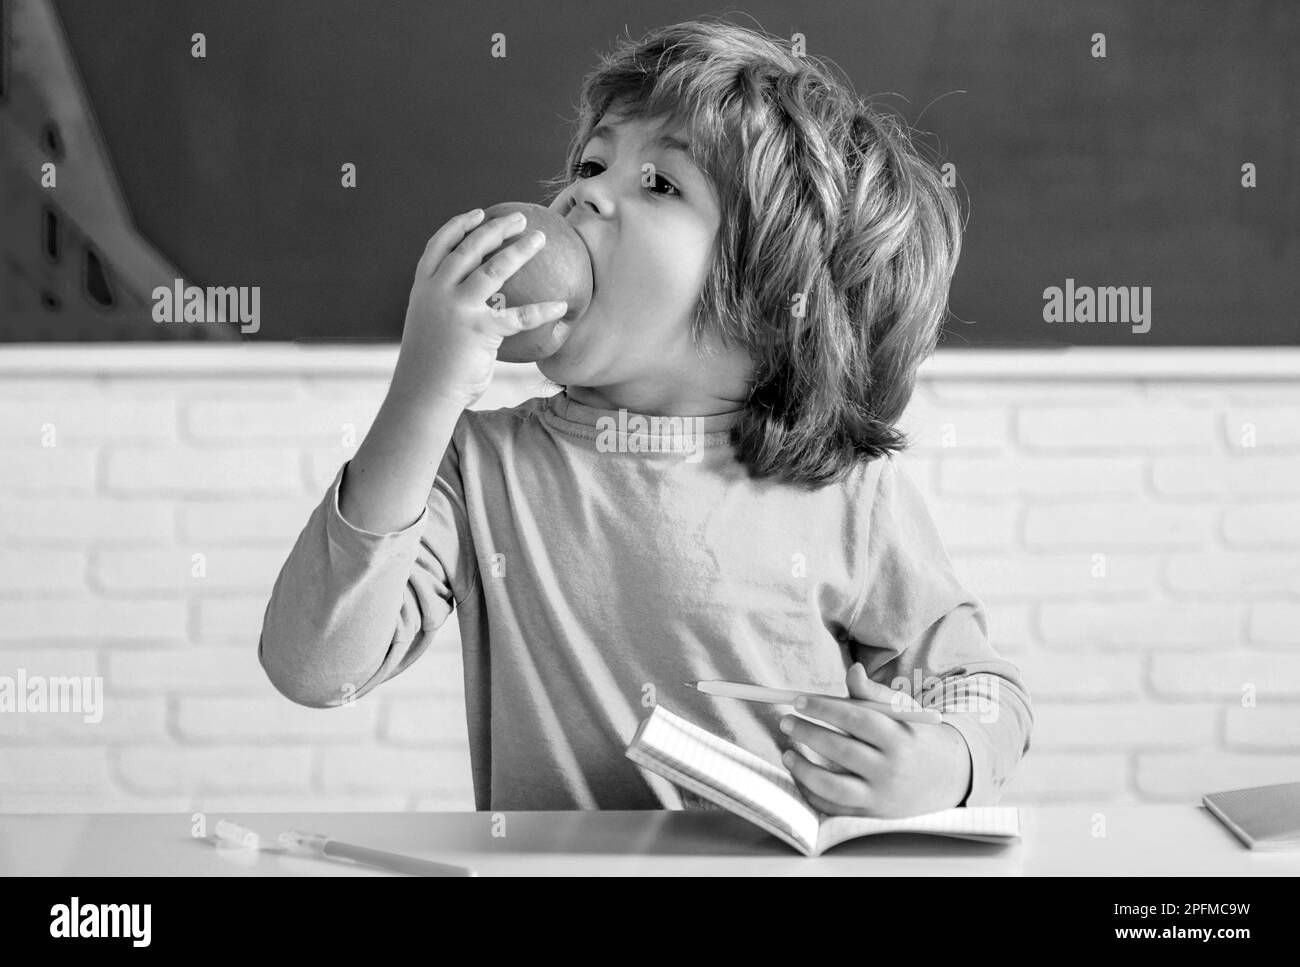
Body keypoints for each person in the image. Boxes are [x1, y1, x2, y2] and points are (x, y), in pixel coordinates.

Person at [259, 18, 1033, 816]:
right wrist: (422, 393)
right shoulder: (477, 467)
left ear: (771, 296)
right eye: (592, 162)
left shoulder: (846, 491)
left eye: (660, 183)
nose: (580, 192)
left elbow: (979, 689)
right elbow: (313, 666)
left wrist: (945, 762)